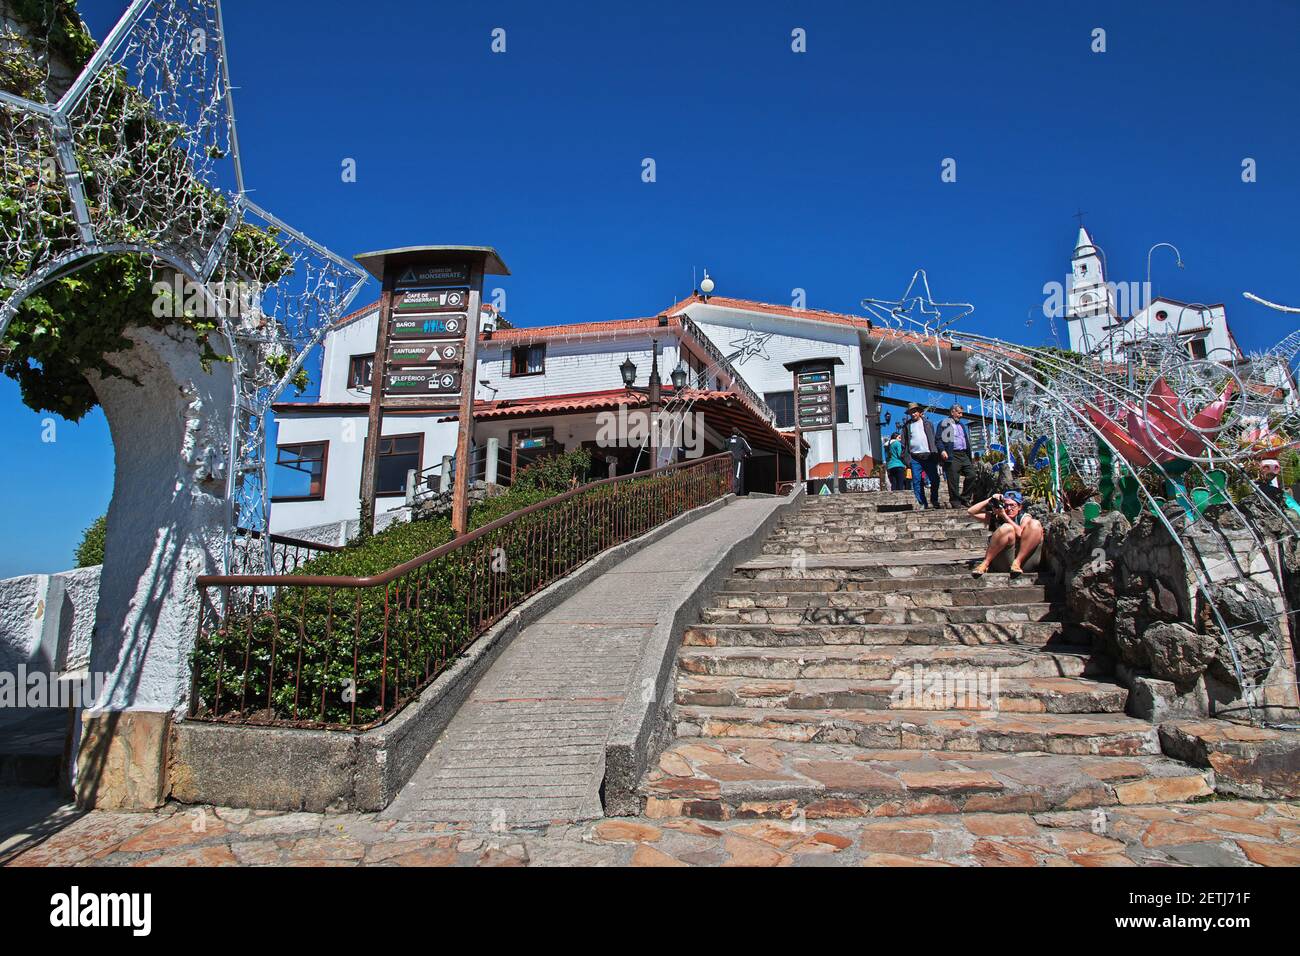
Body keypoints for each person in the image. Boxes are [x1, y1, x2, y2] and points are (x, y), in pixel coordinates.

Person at [967, 490, 1043, 577]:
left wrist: (1005, 516)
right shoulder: (997, 517)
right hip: (1004, 562)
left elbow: (1020, 534)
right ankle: (985, 563)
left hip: (1026, 562)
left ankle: (1017, 562)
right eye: (1006, 505)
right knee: (1007, 528)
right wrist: (990, 499)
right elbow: (971, 511)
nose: (1009, 509)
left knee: (1035, 524)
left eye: (1012, 505)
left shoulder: (1025, 517)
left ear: (1019, 507)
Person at [901, 403, 942, 509]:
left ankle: (934, 499)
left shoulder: (928, 423)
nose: (913, 414)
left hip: (929, 456)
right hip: (914, 457)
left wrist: (936, 453)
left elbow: (933, 438)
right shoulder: (906, 426)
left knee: (935, 479)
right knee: (917, 481)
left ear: (920, 412)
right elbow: (904, 444)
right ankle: (922, 502)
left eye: (915, 412)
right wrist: (906, 459)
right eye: (911, 412)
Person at [937, 403, 976, 508]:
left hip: (963, 454)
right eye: (959, 413)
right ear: (952, 412)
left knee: (972, 475)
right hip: (952, 454)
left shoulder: (961, 425)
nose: (961, 415)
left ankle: (965, 498)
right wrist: (942, 451)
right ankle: (955, 501)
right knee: (953, 479)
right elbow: (939, 439)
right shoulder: (945, 423)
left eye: (961, 413)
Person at [725, 427, 753, 496]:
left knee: (729, 474)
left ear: (731, 433)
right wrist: (747, 455)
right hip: (738, 459)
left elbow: (722, 448)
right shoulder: (741, 440)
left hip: (728, 460)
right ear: (738, 433)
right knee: (736, 475)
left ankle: (728, 490)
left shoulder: (727, 440)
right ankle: (734, 491)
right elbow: (749, 450)